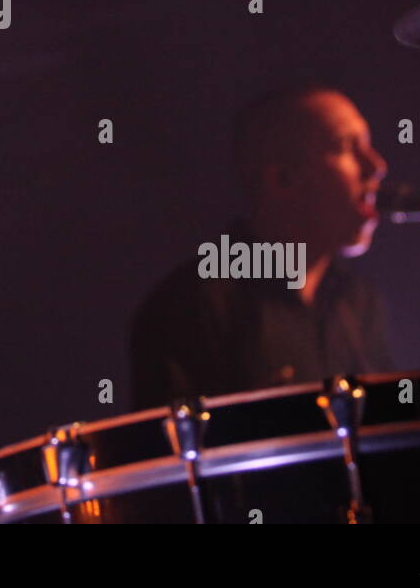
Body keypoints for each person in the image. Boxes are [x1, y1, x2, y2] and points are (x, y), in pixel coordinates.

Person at [129, 86, 393, 406]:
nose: (376, 166)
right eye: (345, 147)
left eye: (368, 145)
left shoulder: (358, 300)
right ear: (282, 179)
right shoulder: (191, 307)